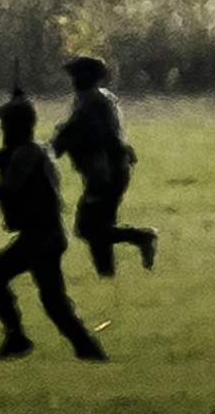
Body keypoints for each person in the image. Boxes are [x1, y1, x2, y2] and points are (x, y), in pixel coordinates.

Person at [0, 87, 106, 362]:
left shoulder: (26, 154)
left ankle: (85, 349)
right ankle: (24, 338)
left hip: (41, 237)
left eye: (6, 124)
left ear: (18, 125)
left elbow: (12, 189)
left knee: (51, 300)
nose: (3, 129)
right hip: (40, 235)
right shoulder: (36, 150)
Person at [50, 55, 159, 277]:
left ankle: (141, 237)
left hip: (105, 173)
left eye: (75, 76)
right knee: (99, 226)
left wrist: (57, 143)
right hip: (109, 171)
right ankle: (106, 275)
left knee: (87, 228)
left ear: (86, 77)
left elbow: (88, 133)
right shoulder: (96, 99)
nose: (72, 81)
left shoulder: (92, 102)